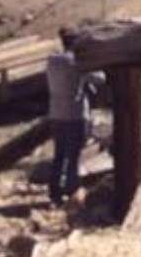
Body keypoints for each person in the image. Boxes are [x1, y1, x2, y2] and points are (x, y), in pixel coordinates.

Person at [46, 50, 90, 206]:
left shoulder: (51, 61)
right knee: (73, 157)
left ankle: (54, 192)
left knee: (59, 155)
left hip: (56, 113)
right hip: (75, 114)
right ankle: (72, 193)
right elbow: (99, 78)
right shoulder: (77, 61)